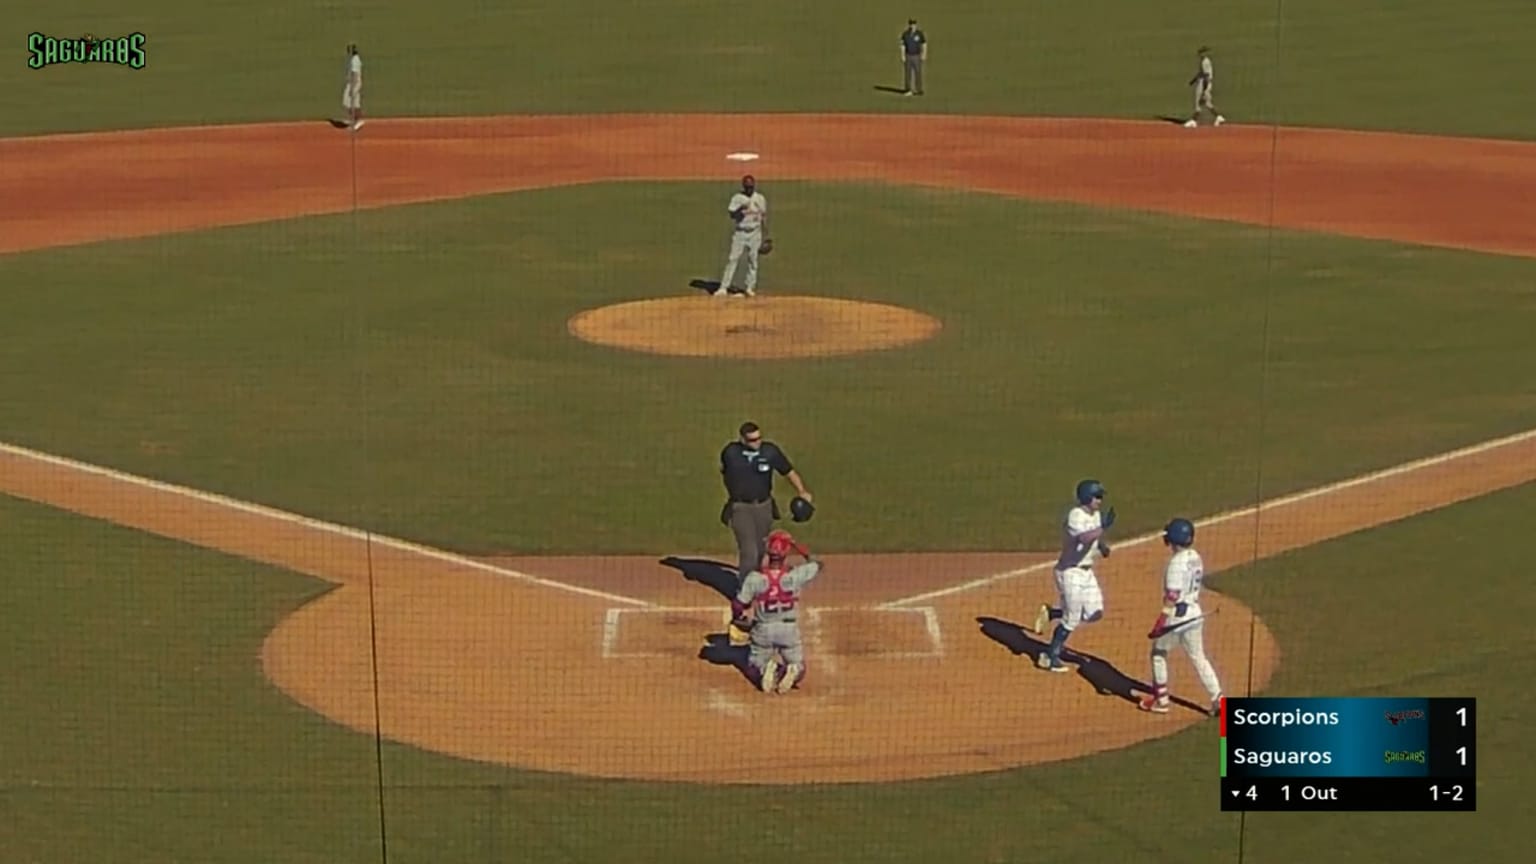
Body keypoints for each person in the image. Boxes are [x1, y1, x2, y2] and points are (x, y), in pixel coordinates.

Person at [1140, 518, 1224, 716]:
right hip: (1195, 614)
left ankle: (1161, 701)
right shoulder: (1195, 556)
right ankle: (1218, 699)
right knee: (1199, 657)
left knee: (1158, 653)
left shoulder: (1175, 564)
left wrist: (1160, 622)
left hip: (1177, 618)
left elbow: (1172, 597)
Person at [1032, 479, 1115, 671]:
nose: (1100, 501)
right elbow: (1082, 537)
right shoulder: (1075, 516)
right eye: (1097, 497)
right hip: (1069, 572)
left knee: (1095, 613)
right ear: (1087, 497)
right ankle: (1049, 656)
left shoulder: (1096, 514)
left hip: (1087, 572)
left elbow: (1094, 537)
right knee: (1072, 618)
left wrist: (1102, 545)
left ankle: (1053, 612)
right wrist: (1102, 528)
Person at [718, 422, 812, 586]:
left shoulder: (770, 452)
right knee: (749, 551)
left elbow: (788, 471)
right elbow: (725, 473)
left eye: (759, 438)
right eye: (752, 440)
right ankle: (745, 590)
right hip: (741, 508)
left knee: (761, 549)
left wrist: (802, 491)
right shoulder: (731, 453)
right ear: (742, 440)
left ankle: (756, 582)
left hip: (764, 506)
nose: (757, 442)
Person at [733, 530, 821, 694]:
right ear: (786, 552)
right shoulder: (796, 575)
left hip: (763, 630)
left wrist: (738, 619)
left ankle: (764, 670)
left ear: (768, 551)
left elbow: (738, 604)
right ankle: (790, 671)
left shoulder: (755, 578)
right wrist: (798, 547)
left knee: (752, 667)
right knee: (801, 671)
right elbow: (817, 564)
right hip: (789, 631)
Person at [715, 175, 770, 297]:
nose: (749, 189)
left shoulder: (760, 198)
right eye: (747, 187)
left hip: (755, 233)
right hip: (740, 233)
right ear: (743, 186)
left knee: (753, 261)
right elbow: (732, 215)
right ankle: (723, 288)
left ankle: (749, 288)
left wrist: (766, 236)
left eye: (751, 186)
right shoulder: (737, 198)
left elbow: (763, 217)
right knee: (732, 259)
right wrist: (741, 209)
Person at [1185, 46, 1225, 128]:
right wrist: (1193, 80)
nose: (1199, 55)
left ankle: (1193, 121)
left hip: (1203, 83)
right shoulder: (1204, 61)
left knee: (1198, 103)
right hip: (1205, 83)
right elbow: (1201, 73)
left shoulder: (1205, 62)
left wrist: (1204, 89)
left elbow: (1206, 75)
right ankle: (1218, 117)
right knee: (1207, 103)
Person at [900, 19, 928, 96]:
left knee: (918, 73)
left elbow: (924, 44)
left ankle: (918, 89)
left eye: (914, 24)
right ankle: (908, 89)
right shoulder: (905, 34)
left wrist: (924, 54)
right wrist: (902, 55)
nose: (912, 26)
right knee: (907, 74)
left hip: (917, 56)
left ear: (916, 25)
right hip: (908, 55)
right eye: (911, 24)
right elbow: (903, 45)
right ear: (909, 25)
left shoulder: (919, 34)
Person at [342, 44, 364, 130]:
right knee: (352, 103)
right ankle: (354, 120)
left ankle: (357, 121)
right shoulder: (354, 59)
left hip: (354, 83)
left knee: (351, 103)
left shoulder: (355, 60)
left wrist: (352, 87)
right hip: (353, 83)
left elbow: (355, 74)